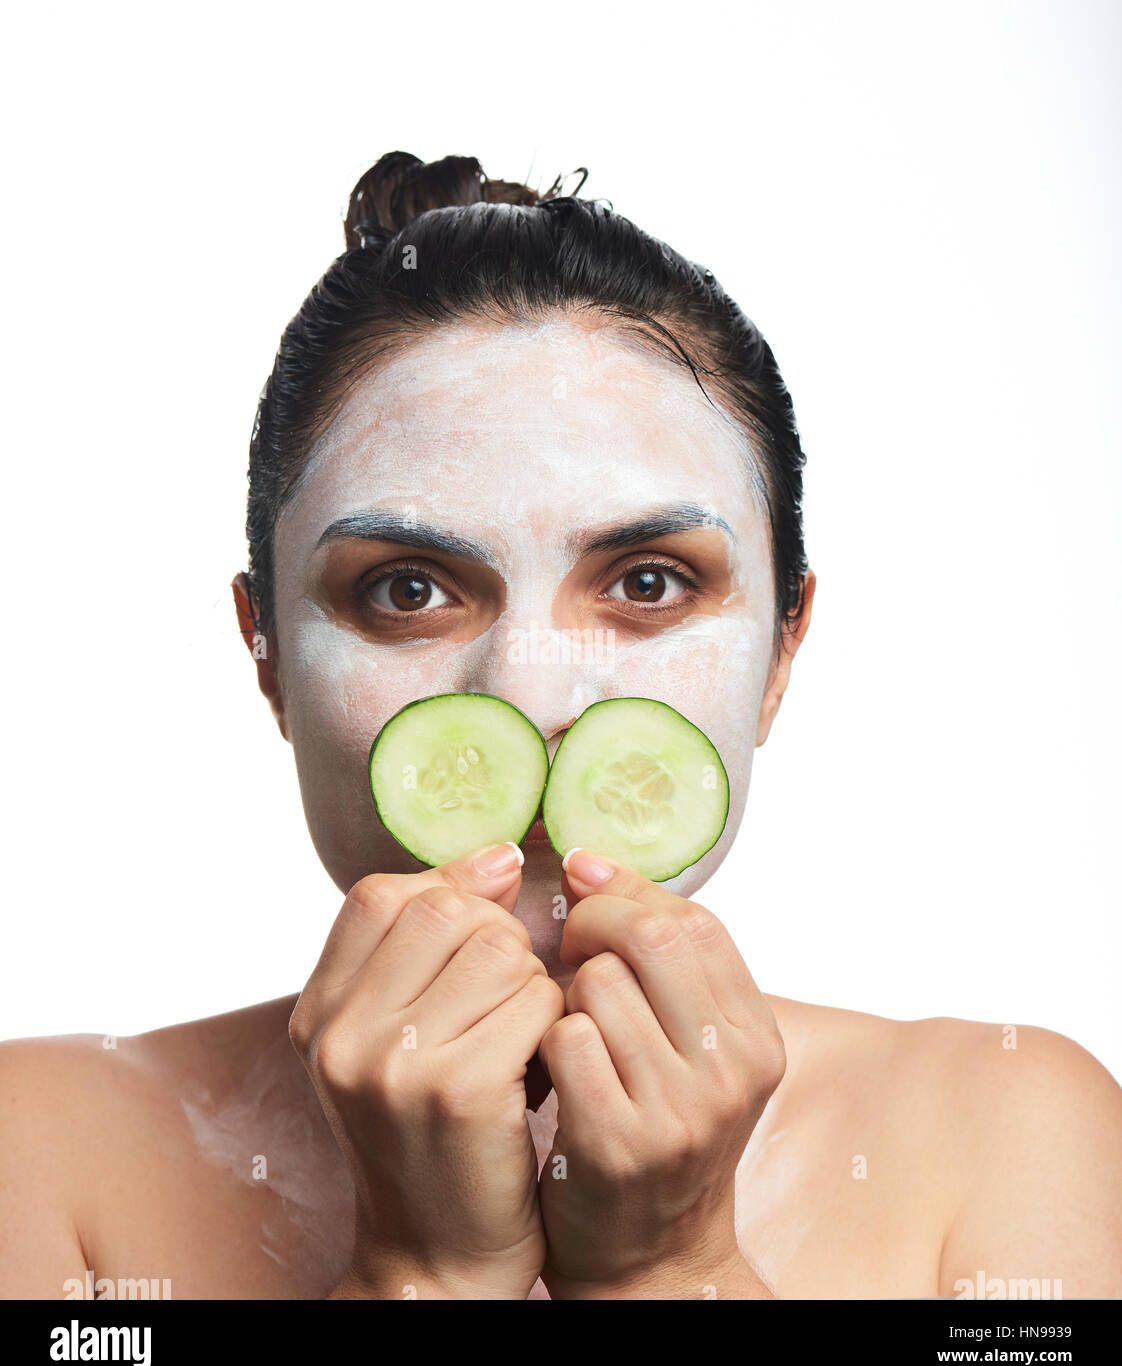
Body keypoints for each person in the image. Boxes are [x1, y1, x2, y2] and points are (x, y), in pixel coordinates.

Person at [2, 151, 1120, 1302]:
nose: (532, 702)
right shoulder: (34, 1158)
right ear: (269, 657)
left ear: (783, 650)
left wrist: (670, 1269)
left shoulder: (1019, 1136)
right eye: (405, 589)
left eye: (646, 583)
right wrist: (426, 1272)